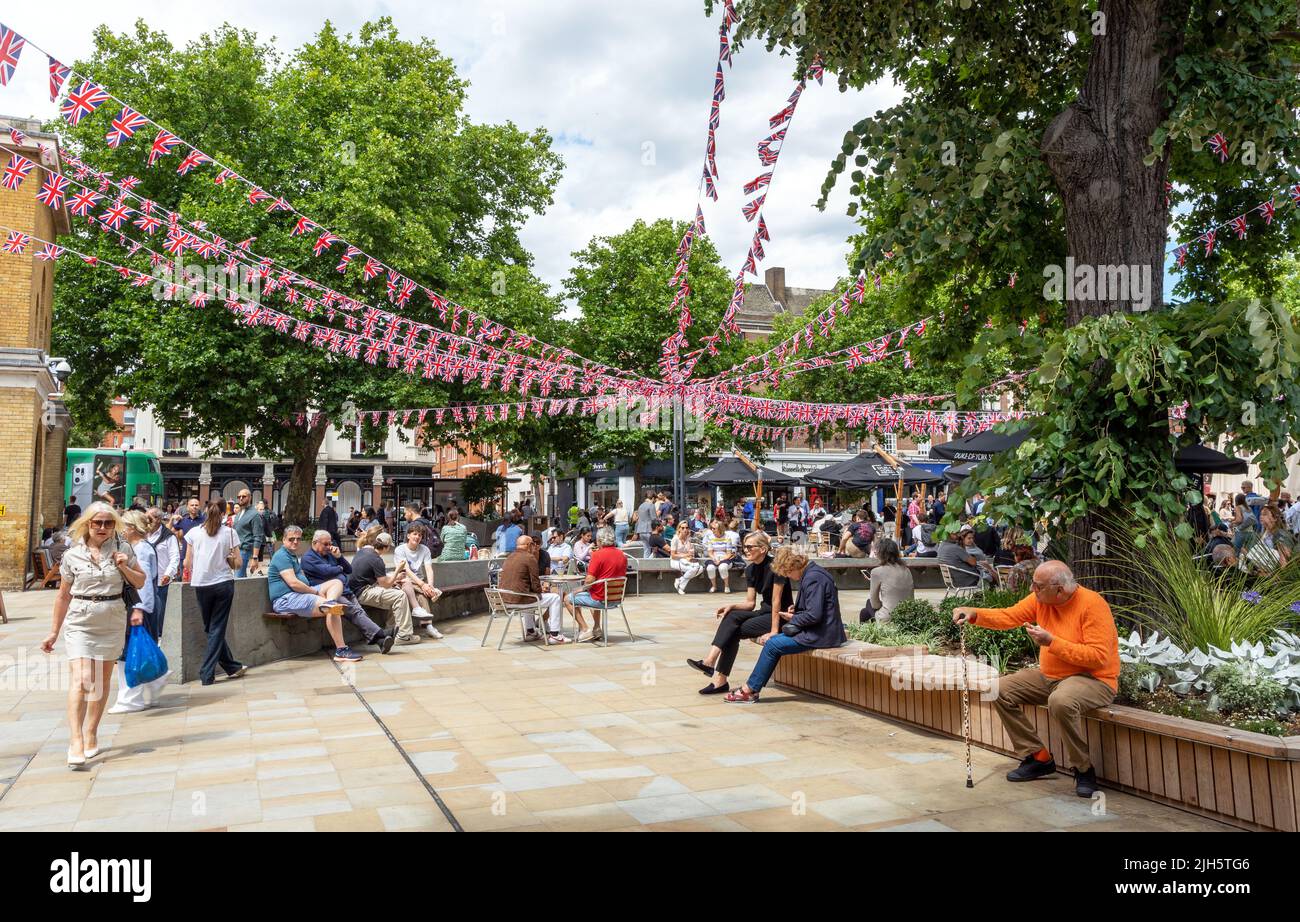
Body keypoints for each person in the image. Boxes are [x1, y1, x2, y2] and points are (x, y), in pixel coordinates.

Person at [952, 560, 1120, 797]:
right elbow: (1009, 616)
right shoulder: (1041, 599)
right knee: (997, 689)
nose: (1032, 590)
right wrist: (974, 614)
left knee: (1061, 701)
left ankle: (1083, 769)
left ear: (1059, 589)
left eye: (1037, 586)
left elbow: (1098, 657)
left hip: (1093, 679)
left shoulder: (1093, 605)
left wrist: (1052, 642)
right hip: (1050, 676)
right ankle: (1038, 757)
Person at [41, 502, 147, 767]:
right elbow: (63, 595)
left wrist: (124, 566)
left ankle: (91, 732)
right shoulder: (72, 554)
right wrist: (54, 631)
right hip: (80, 619)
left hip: (111, 618)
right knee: (83, 679)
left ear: (115, 526)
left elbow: (141, 581)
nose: (102, 528)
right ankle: (75, 740)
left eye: (108, 523)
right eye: (97, 522)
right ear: (87, 523)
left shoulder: (123, 549)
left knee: (100, 682)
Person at [724, 548, 846, 703]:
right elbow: (816, 607)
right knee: (774, 642)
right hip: (820, 631)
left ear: (793, 566)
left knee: (773, 644)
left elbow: (814, 615)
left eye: (787, 573)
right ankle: (751, 688)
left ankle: (750, 690)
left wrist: (792, 618)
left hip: (821, 634)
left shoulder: (813, 578)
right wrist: (798, 609)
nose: (789, 577)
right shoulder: (813, 573)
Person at [689, 532, 787, 695]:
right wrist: (731, 605)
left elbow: (777, 601)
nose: (746, 550)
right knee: (731, 616)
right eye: (744, 547)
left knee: (731, 631)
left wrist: (774, 631)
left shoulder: (777, 567)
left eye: (750, 547)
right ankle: (711, 663)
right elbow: (750, 603)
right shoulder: (750, 570)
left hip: (781, 616)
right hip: (764, 612)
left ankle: (718, 676)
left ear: (763, 549)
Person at [267, 525, 362, 661]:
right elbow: (293, 583)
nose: (295, 542)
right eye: (291, 539)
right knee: (333, 609)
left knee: (336, 583)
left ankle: (329, 602)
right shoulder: (282, 556)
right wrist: (316, 593)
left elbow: (348, 570)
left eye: (298, 539)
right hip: (285, 599)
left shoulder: (291, 555)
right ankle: (341, 650)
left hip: (298, 595)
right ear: (283, 540)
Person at [182, 500, 251, 684]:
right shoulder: (229, 532)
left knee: (211, 627)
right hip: (223, 584)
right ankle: (210, 671)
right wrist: (228, 559)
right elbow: (238, 564)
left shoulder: (193, 533)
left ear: (205, 512)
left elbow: (187, 563)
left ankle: (225, 668)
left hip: (201, 584)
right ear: (223, 514)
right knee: (216, 628)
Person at [301, 530, 395, 654]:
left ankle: (380, 641)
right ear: (315, 542)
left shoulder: (330, 554)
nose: (329, 547)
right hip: (329, 594)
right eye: (325, 544)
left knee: (359, 612)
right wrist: (338, 569)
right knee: (354, 611)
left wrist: (339, 557)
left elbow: (348, 569)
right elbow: (326, 571)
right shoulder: (308, 558)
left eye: (330, 543)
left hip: (345, 590)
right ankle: (381, 633)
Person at [350, 532, 421, 645]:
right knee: (400, 596)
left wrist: (394, 578)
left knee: (396, 592)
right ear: (387, 547)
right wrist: (398, 570)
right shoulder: (377, 560)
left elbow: (379, 578)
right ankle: (404, 635)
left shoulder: (364, 551)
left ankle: (392, 629)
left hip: (356, 590)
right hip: (363, 592)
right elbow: (385, 584)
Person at [498, 535, 567, 644]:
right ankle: (555, 635)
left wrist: (536, 590)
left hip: (504, 599)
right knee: (556, 598)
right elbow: (535, 585)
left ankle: (530, 631)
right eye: (533, 544)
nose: (534, 547)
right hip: (519, 600)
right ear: (529, 545)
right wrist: (541, 589)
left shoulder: (510, 557)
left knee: (529, 595)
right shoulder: (530, 558)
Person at [566, 527, 628, 643]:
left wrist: (580, 589)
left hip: (600, 599)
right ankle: (597, 628)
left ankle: (585, 629)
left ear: (599, 540)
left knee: (568, 599)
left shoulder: (597, 555)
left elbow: (589, 580)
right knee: (593, 592)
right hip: (617, 598)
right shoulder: (622, 555)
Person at [144, 507, 179, 638]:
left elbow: (175, 557)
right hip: (144, 580)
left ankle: (159, 636)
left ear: (158, 520)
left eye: (150, 519)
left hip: (161, 580)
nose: (147, 522)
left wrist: (168, 574)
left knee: (159, 611)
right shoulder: (143, 534)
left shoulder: (168, 536)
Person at [866, 538, 914, 623]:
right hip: (908, 615)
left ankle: (870, 634)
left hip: (889, 617)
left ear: (880, 553)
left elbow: (874, 604)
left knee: (867, 606)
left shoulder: (876, 572)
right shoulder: (907, 570)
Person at [1243, 505, 1294, 571]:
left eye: (1265, 514)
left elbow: (1284, 561)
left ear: (1275, 518)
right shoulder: (1264, 533)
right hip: (1258, 571)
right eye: (1261, 514)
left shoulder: (1281, 535)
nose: (1261, 516)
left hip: (1271, 575)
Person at [231, 487, 266, 578]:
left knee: (238, 579)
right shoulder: (239, 513)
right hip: (236, 550)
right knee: (240, 578)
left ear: (250, 497)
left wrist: (255, 558)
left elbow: (258, 537)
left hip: (244, 550)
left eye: (244, 496)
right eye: (239, 497)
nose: (241, 498)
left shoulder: (255, 514)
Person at [704, 519, 738, 593]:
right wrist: (714, 558)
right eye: (712, 528)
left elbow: (729, 554)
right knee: (710, 568)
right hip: (715, 557)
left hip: (725, 557)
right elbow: (710, 552)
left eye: (714, 528)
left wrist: (721, 559)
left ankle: (726, 586)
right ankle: (714, 586)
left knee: (722, 567)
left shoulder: (727, 537)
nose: (712, 530)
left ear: (719, 529)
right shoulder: (711, 537)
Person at [670, 522, 703, 594]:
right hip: (675, 561)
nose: (685, 529)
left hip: (686, 561)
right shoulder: (675, 539)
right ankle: (681, 587)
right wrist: (685, 555)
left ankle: (679, 580)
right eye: (683, 528)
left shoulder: (688, 539)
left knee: (700, 568)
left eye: (687, 528)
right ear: (679, 529)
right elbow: (673, 555)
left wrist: (688, 540)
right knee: (692, 569)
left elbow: (691, 553)